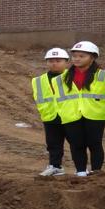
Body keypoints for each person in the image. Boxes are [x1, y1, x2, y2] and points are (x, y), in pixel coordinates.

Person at [56, 41, 105, 177]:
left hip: (95, 115)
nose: (77, 59)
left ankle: (96, 171)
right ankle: (81, 171)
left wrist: (96, 106)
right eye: (75, 56)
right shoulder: (62, 78)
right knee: (77, 144)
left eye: (81, 56)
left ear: (92, 58)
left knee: (94, 144)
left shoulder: (102, 75)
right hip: (71, 114)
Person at [33, 48, 71, 176]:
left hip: (71, 115)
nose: (54, 63)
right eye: (50, 61)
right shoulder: (38, 80)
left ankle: (81, 168)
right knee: (53, 144)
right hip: (50, 117)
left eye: (58, 60)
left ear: (66, 62)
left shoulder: (72, 77)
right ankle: (55, 166)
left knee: (77, 144)